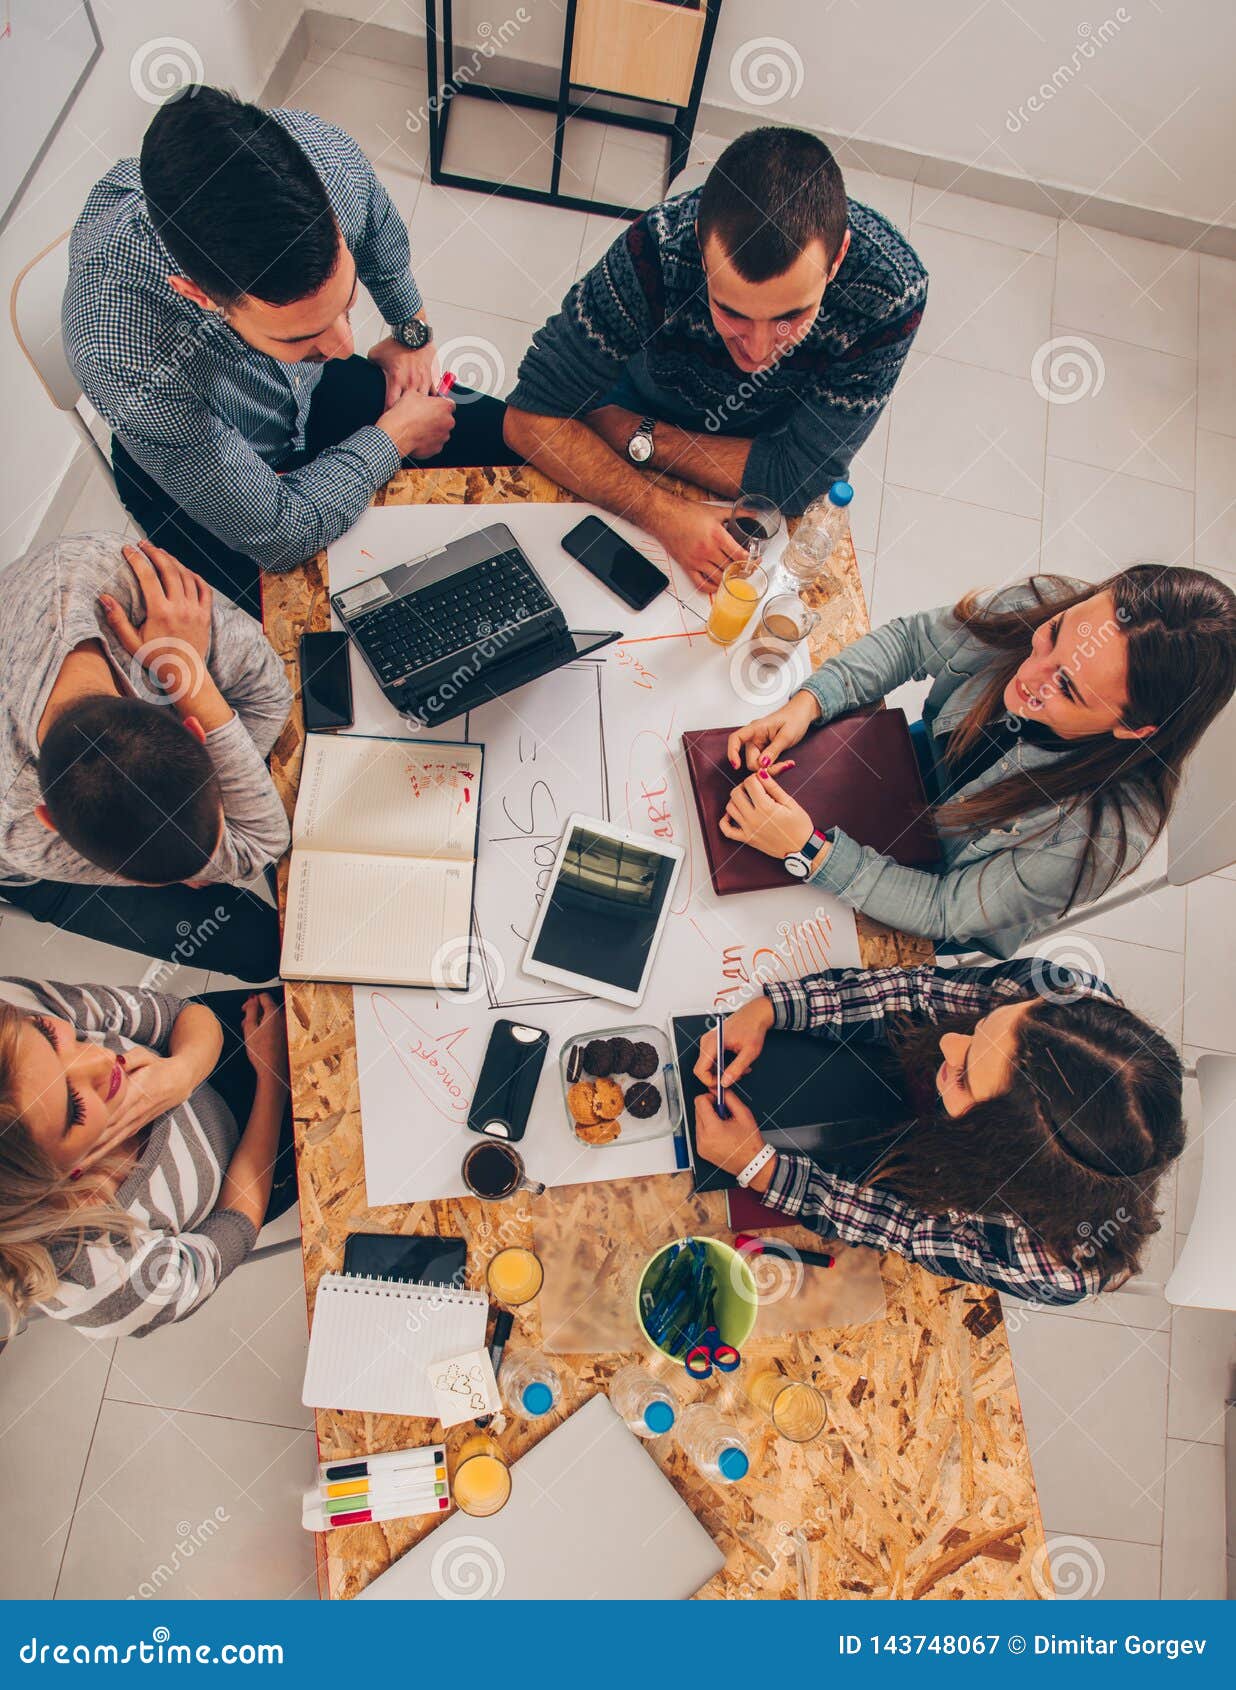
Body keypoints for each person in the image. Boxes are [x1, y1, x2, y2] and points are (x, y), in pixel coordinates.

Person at [64, 86, 520, 620]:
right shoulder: (123, 353)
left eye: (345, 304)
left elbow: (378, 227)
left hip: (306, 398)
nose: (347, 347)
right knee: (345, 629)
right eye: (299, 337)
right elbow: (282, 534)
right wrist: (393, 438)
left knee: (513, 444)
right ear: (202, 297)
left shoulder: (325, 157)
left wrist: (411, 330)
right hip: (196, 452)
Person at [721, 565, 1236, 957]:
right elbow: (912, 641)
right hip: (898, 771)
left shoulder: (1098, 838)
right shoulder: (1046, 602)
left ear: (1133, 729)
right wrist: (810, 702)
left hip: (932, 896)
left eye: (1066, 688)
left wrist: (811, 852)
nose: (1029, 675)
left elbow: (944, 908)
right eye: (1054, 634)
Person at [504, 126, 927, 588]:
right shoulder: (657, 248)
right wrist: (662, 513)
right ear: (701, 251)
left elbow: (801, 480)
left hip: (709, 431)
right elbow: (528, 418)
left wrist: (630, 432)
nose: (759, 351)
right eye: (732, 312)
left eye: (792, 315)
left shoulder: (888, 294)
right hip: (655, 403)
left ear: (838, 257)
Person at [692, 959, 1184, 1305]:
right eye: (981, 1026)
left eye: (965, 1076)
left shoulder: (1050, 1262)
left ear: (1005, 1161)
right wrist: (775, 1009)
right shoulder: (1061, 1001)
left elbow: (900, 1226)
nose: (948, 1040)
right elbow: (917, 994)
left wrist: (761, 1169)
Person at [0, 534, 291, 981]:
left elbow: (269, 694)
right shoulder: (18, 831)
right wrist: (187, 671)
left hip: (54, 593)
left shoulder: (124, 581)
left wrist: (186, 674)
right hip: (34, 874)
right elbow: (257, 843)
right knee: (261, 950)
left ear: (193, 730)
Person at [0, 978, 295, 1338]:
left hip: (227, 1039)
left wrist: (183, 1071)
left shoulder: (12, 1005)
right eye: (75, 1106)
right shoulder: (101, 1286)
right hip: (267, 1157)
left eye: (50, 1035)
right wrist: (273, 1079)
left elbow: (177, 1013)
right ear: (41, 1183)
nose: (102, 1057)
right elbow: (234, 1227)